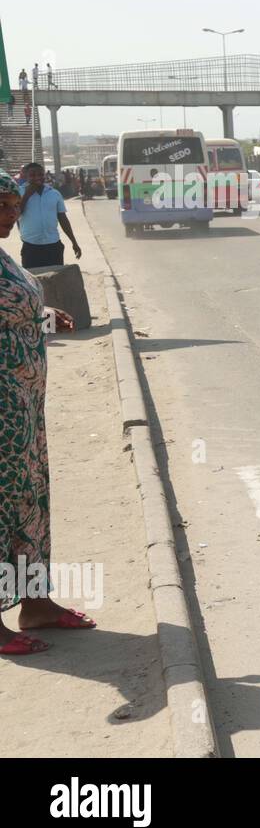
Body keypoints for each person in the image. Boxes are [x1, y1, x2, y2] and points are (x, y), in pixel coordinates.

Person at [0, 171, 93, 656]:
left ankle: (35, 601)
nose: (12, 214)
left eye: (14, 204)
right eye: (3, 205)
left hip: (23, 415)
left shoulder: (1, 256)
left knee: (30, 507)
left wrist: (43, 316)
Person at [17, 162, 82, 269]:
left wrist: (74, 242)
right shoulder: (19, 192)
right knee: (34, 282)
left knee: (56, 282)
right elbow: (16, 215)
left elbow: (63, 219)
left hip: (53, 246)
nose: (37, 177)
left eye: (40, 174)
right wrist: (27, 195)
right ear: (26, 176)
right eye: (32, 175)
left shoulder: (54, 193)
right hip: (31, 247)